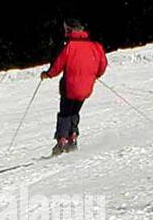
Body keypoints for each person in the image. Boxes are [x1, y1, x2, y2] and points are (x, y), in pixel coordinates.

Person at [40, 20, 108, 156]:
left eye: (66, 30)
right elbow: (103, 65)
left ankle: (62, 140)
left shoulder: (68, 46)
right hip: (86, 87)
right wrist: (94, 75)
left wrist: (47, 74)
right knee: (74, 111)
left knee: (65, 112)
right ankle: (73, 136)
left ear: (70, 30)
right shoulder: (95, 46)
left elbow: (57, 66)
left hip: (69, 87)